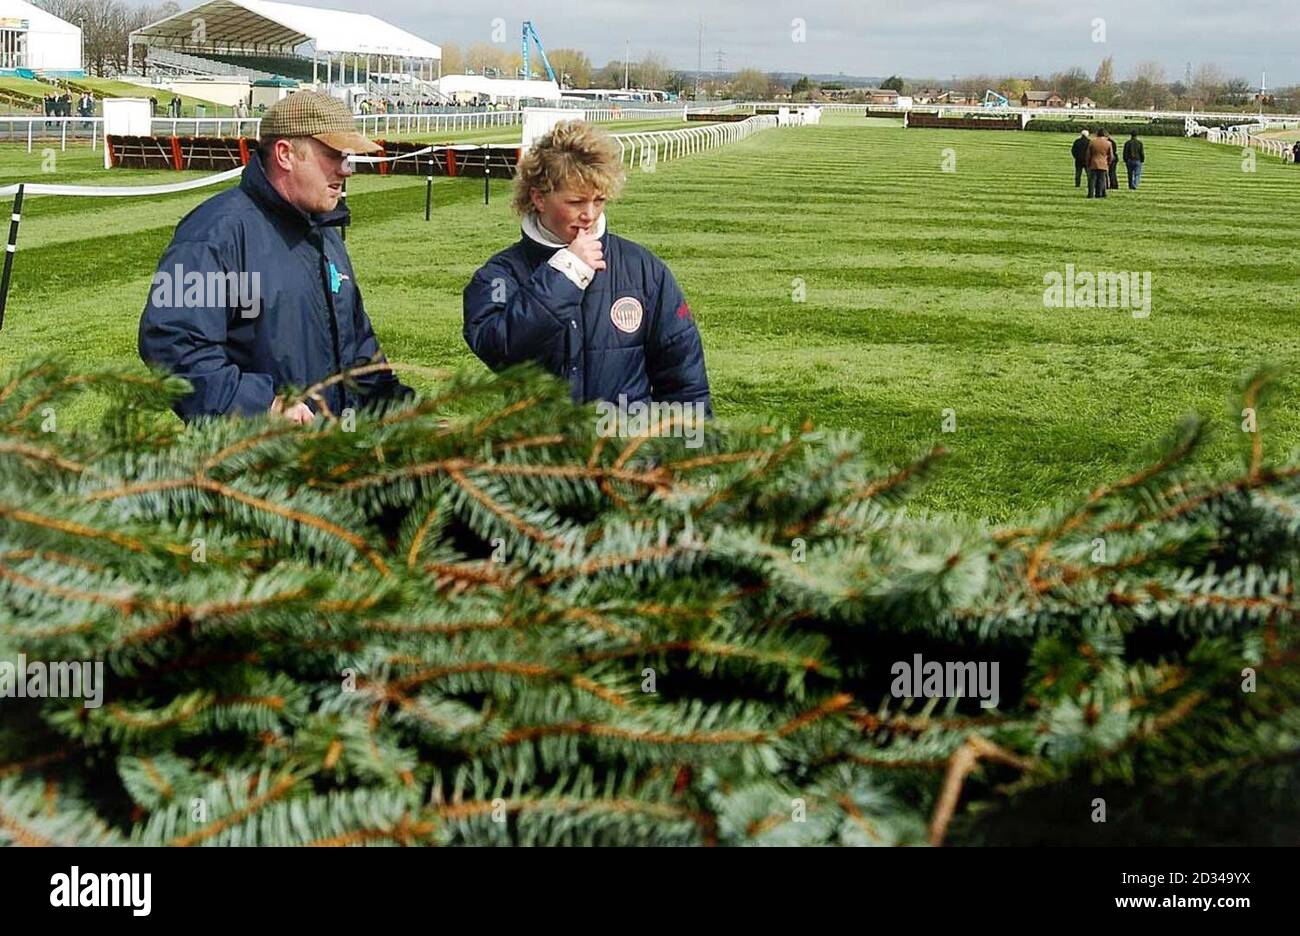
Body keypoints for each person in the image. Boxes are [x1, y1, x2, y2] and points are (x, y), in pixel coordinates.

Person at [139, 91, 411, 422]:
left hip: (330, 462)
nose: (347, 169)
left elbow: (360, 358)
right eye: (334, 155)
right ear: (285, 154)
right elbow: (173, 347)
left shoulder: (324, 234)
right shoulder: (214, 235)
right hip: (254, 465)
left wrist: (412, 413)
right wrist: (262, 407)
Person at [462, 120, 711, 412]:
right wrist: (565, 274)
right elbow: (500, 352)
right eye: (577, 201)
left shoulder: (644, 269)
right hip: (537, 453)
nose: (589, 214)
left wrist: (689, 452)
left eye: (600, 200)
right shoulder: (500, 274)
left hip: (627, 453)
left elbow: (685, 382)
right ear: (539, 197)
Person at [1087, 129, 1112, 199]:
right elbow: (1111, 155)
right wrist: (1108, 162)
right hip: (1103, 163)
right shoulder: (1108, 143)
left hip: (1093, 162)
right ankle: (1099, 193)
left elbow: (1088, 154)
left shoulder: (1092, 142)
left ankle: (1091, 194)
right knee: (1101, 179)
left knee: (1092, 180)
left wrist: (1088, 162)